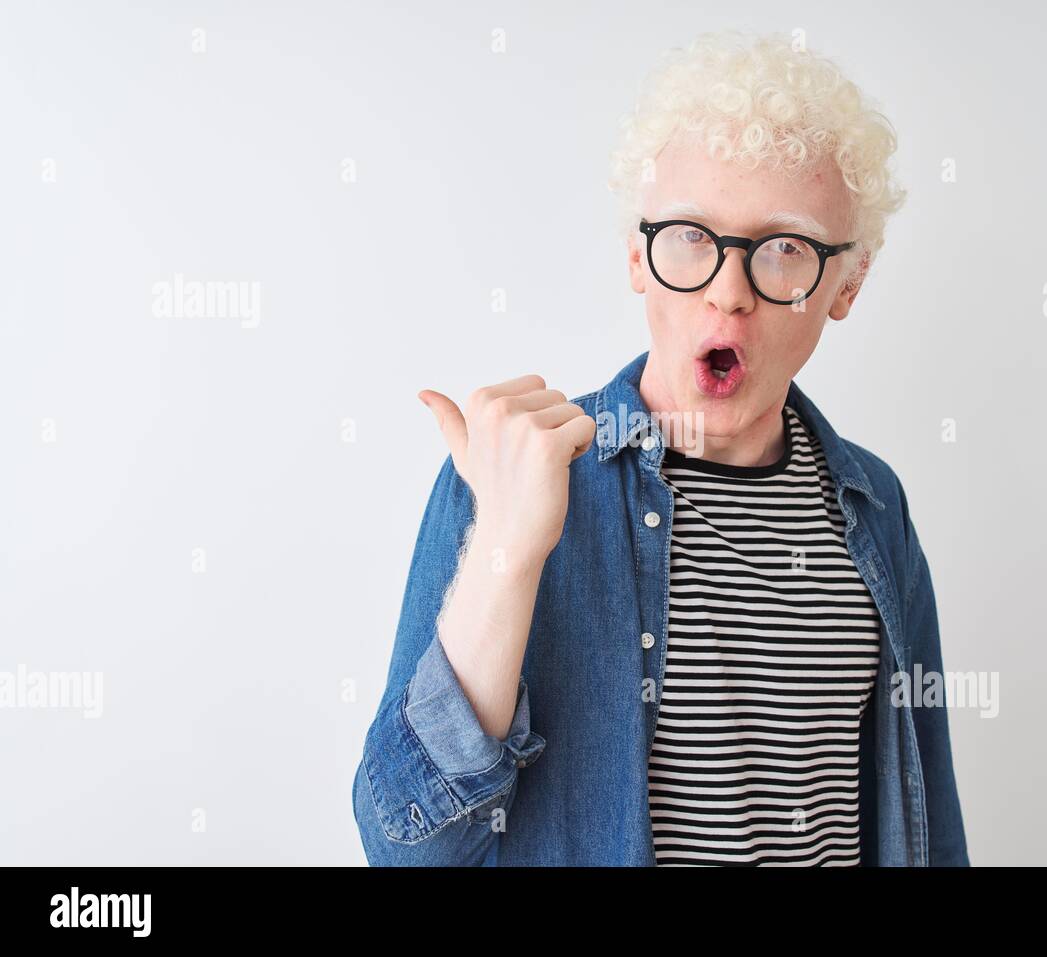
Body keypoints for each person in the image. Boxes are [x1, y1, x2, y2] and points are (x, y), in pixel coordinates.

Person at [352, 30, 969, 866]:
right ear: (639, 255)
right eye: (689, 235)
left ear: (846, 284)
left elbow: (925, 817)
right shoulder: (506, 479)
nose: (727, 290)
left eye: (785, 249)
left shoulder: (873, 505)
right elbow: (405, 848)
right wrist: (507, 548)